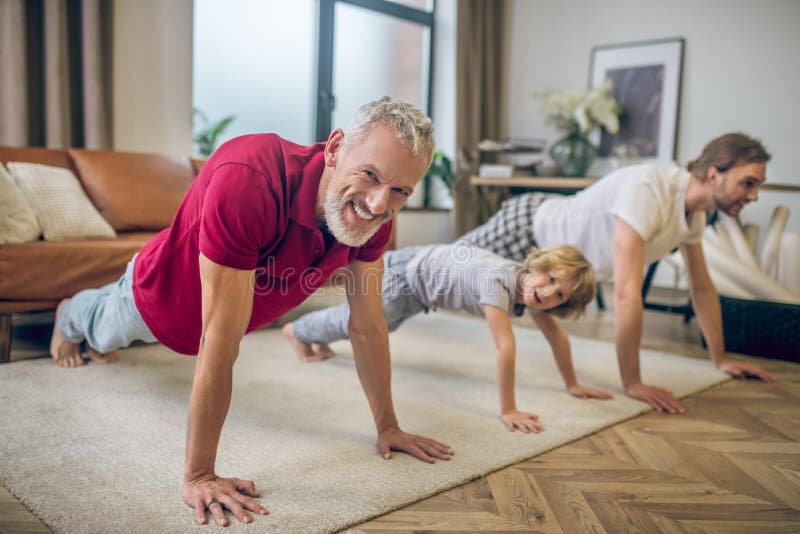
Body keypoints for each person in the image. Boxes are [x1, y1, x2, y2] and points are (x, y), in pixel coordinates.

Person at [48, 97, 454, 526]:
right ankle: (70, 311)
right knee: (104, 328)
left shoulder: (374, 222)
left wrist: (388, 426)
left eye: (399, 191)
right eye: (370, 175)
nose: (377, 204)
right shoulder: (250, 179)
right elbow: (219, 341)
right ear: (335, 148)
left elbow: (368, 326)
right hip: (157, 301)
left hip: (223, 322)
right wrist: (199, 475)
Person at [460, 132, 777, 415]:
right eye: (748, 183)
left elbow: (702, 288)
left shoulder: (693, 218)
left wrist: (719, 359)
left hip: (557, 262)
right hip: (529, 225)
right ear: (713, 175)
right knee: (451, 263)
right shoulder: (649, 191)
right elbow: (626, 293)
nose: (753, 196)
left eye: (757, 186)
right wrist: (633, 383)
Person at [283, 242, 610, 433]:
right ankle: (298, 331)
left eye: (560, 296)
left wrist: (572, 384)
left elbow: (558, 339)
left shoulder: (531, 290)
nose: (549, 293)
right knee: (367, 325)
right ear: (539, 265)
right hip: (406, 277)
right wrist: (509, 410)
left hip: (422, 279)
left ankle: (311, 332)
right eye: (551, 278)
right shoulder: (498, 281)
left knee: (379, 325)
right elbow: (504, 345)